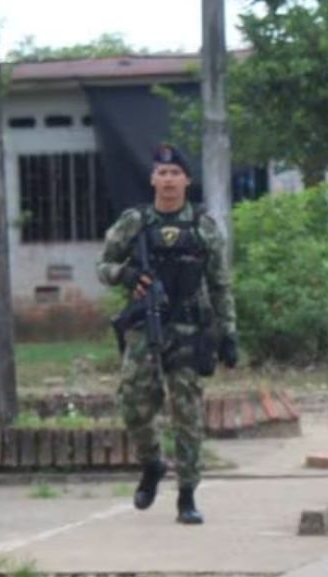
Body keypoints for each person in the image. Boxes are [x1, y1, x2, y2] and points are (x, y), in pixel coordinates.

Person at [96, 143, 240, 525]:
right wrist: (125, 275)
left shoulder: (204, 225)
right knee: (132, 402)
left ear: (187, 180)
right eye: (162, 173)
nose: (169, 180)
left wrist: (228, 333)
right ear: (153, 179)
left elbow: (221, 284)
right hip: (145, 326)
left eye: (175, 173)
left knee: (187, 412)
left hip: (190, 328)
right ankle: (152, 463)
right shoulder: (135, 222)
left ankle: (187, 496)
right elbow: (104, 264)